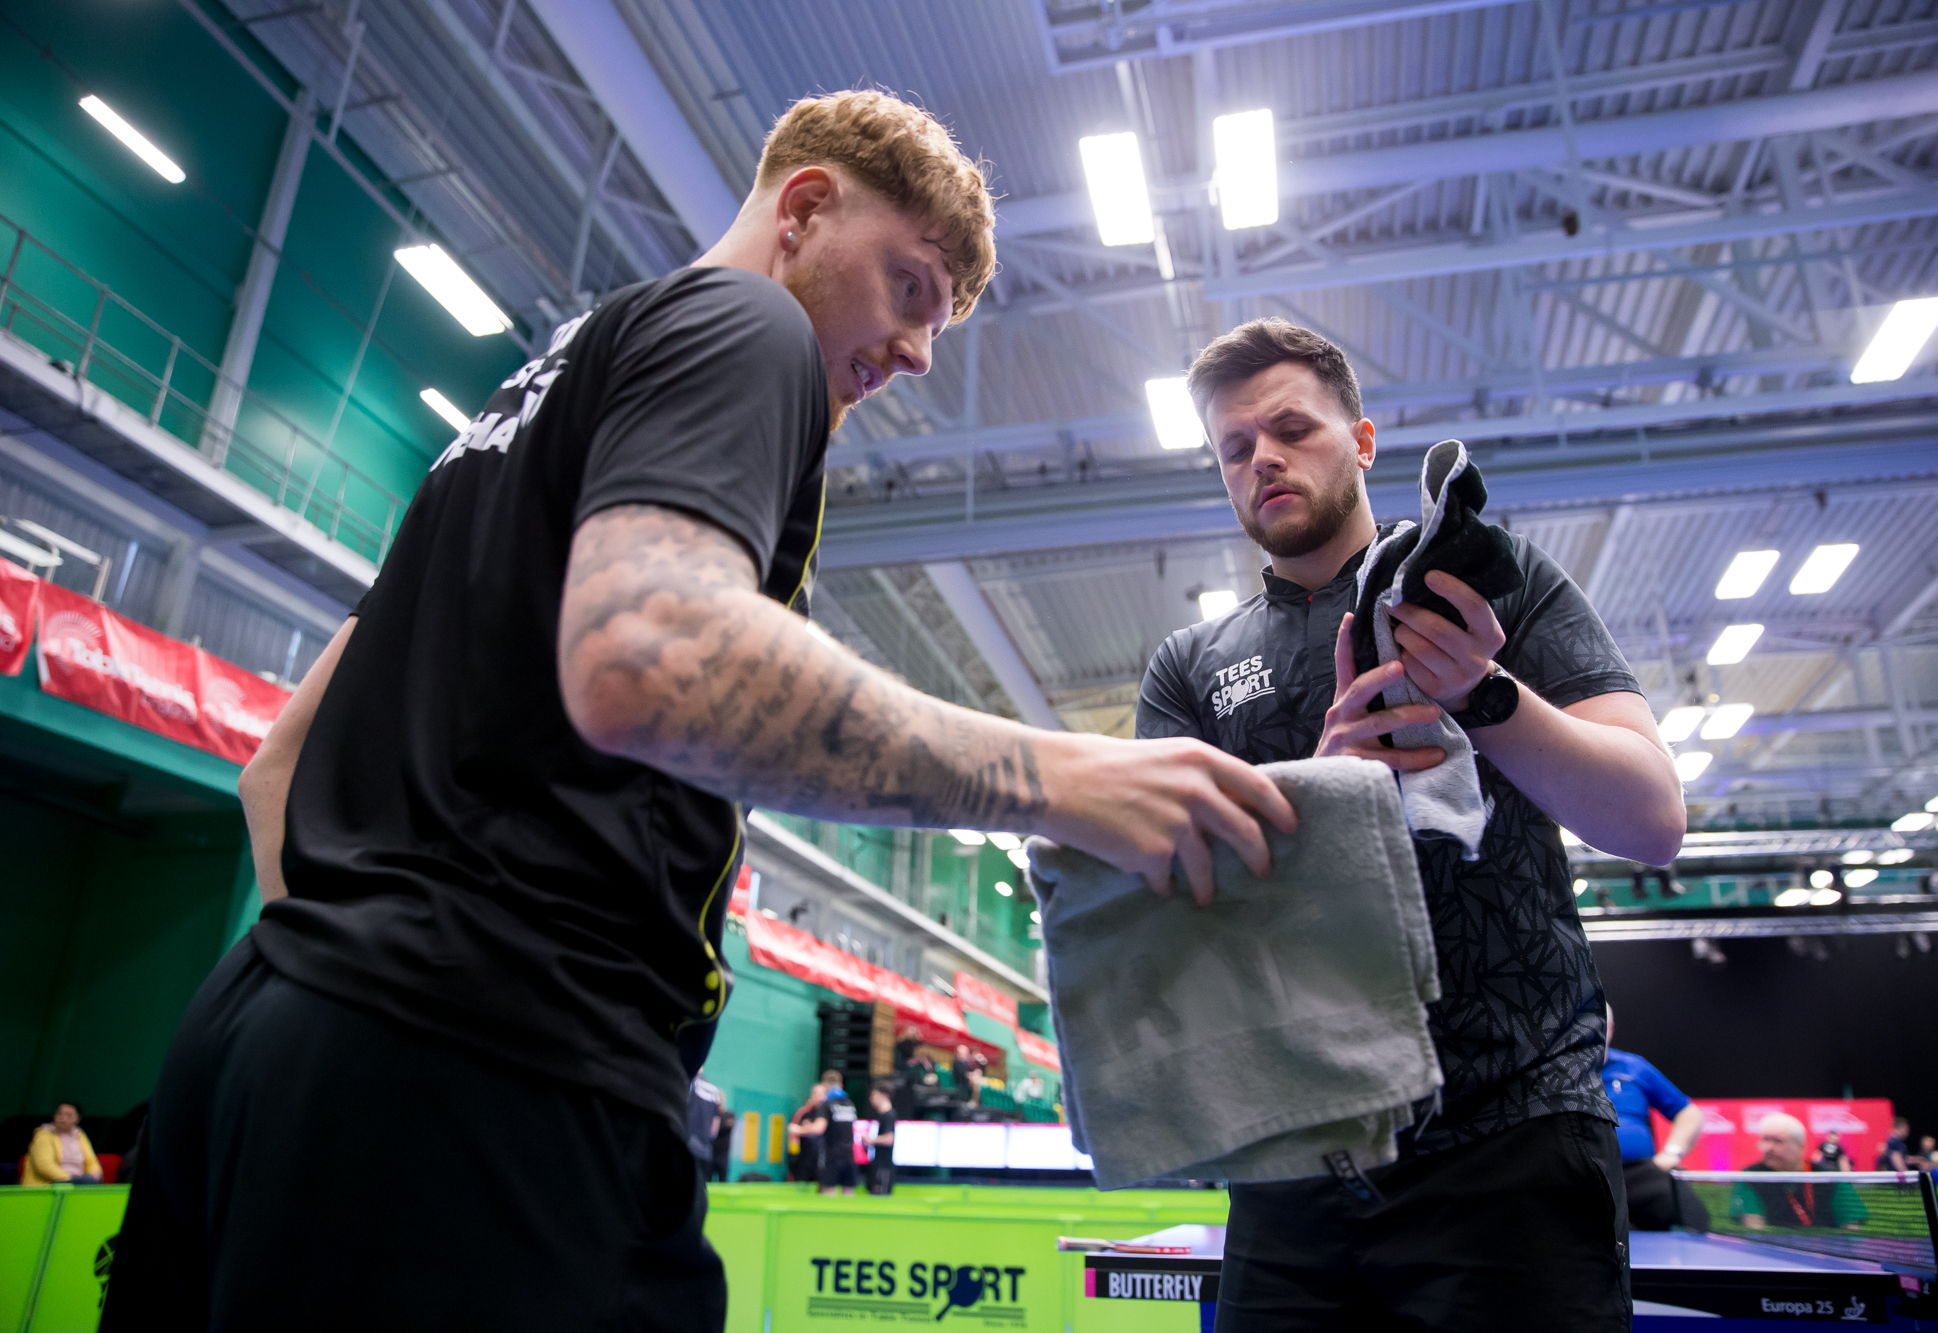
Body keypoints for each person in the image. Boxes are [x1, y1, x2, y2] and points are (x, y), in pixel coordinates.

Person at [103, 88, 1297, 1332]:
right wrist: (1062, 779)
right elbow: (647, 660)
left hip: (261, 1041)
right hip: (491, 1056)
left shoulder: (530, 405)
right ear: (803, 211)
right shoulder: (745, 323)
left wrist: (338, 1019)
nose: (919, 352)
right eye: (909, 287)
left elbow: (275, 768)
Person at [1141, 319, 1686, 1332]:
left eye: (1290, 428)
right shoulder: (1190, 667)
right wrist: (1324, 792)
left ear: (1360, 439)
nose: (1260, 456)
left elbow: (1651, 819)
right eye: (1231, 446)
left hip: (1512, 1136)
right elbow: (1171, 917)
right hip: (1294, 1156)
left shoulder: (1493, 583)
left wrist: (1482, 694)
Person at [1600, 1006, 1706, 1231]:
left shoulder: (1634, 1067)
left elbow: (1688, 1113)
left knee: (1693, 1218)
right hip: (1587, 1174)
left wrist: (1672, 1152)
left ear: (1611, 1029)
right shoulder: (1559, 1071)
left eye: (1602, 1024)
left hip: (1638, 1173)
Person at [1729, 1113, 1865, 1230]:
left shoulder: (1830, 1178)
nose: (1768, 1148)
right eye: (1765, 1140)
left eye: (1778, 1141)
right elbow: (1755, 1228)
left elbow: (1851, 1226)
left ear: (1800, 1146)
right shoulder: (1750, 1177)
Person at [798, 1072, 858, 1196]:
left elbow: (819, 1128)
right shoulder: (850, 1104)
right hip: (849, 1156)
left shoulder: (826, 1105)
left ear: (825, 1085)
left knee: (828, 1193)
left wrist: (798, 1129)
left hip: (831, 1156)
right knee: (848, 1194)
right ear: (841, 1085)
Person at [24, 1104, 102, 1186]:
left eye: (69, 1115)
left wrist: (94, 1173)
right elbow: (44, 1166)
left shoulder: (80, 1135)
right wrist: (70, 1178)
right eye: (59, 1114)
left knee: (95, 1183)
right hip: (53, 1182)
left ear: (78, 1118)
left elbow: (91, 1161)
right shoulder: (43, 1135)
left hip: (79, 1180)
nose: (63, 1118)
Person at [787, 1082, 827, 1185]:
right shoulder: (804, 1112)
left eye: (820, 1093)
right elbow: (793, 1131)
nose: (817, 1096)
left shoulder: (828, 1113)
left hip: (822, 1161)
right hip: (804, 1160)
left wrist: (807, 1128)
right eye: (814, 1093)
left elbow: (818, 1129)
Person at [686, 1070, 723, 1180]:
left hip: (688, 1147)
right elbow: (714, 1129)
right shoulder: (714, 1091)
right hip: (706, 1152)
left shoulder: (688, 1082)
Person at [865, 1083, 897, 1195]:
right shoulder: (881, 1115)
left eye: (874, 1095)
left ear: (884, 1095)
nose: (871, 1099)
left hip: (884, 1164)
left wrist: (871, 1140)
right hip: (877, 1162)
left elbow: (889, 1139)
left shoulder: (889, 1115)